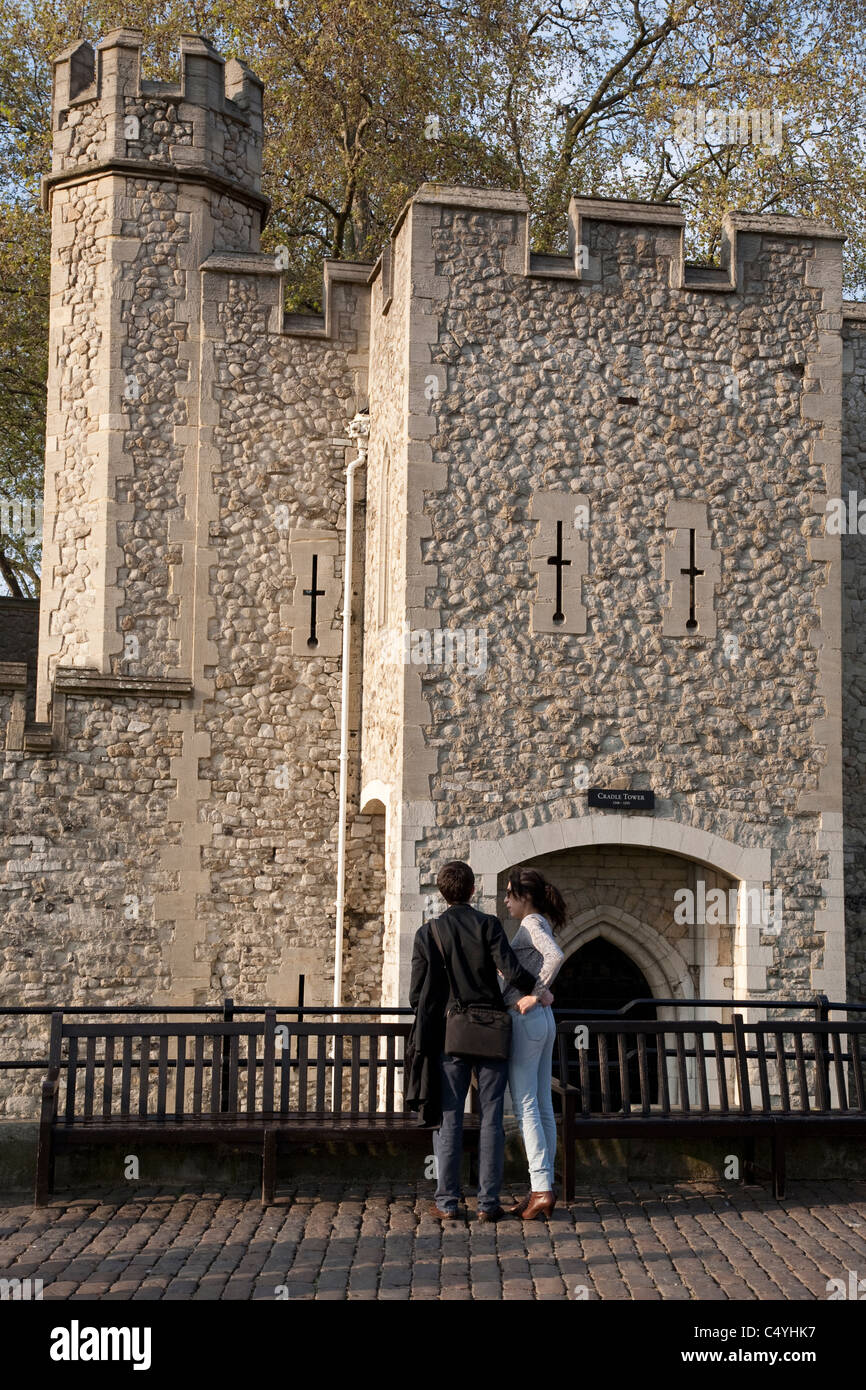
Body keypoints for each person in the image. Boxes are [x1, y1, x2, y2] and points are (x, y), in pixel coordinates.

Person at [407, 859, 553, 1222]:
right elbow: (514, 970)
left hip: (450, 1034)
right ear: (473, 890)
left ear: (443, 892)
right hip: (491, 1031)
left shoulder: (429, 933)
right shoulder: (489, 925)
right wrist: (539, 992)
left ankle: (447, 1202)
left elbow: (416, 996)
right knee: (491, 1117)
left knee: (449, 1115)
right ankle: (488, 1203)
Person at [500, 865, 566, 1221]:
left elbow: (554, 956)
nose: (506, 901)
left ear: (525, 897)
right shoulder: (537, 923)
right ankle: (541, 1187)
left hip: (527, 1020)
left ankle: (541, 1189)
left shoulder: (531, 924)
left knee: (527, 1106)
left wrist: (534, 994)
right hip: (542, 1021)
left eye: (510, 894)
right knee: (541, 1105)